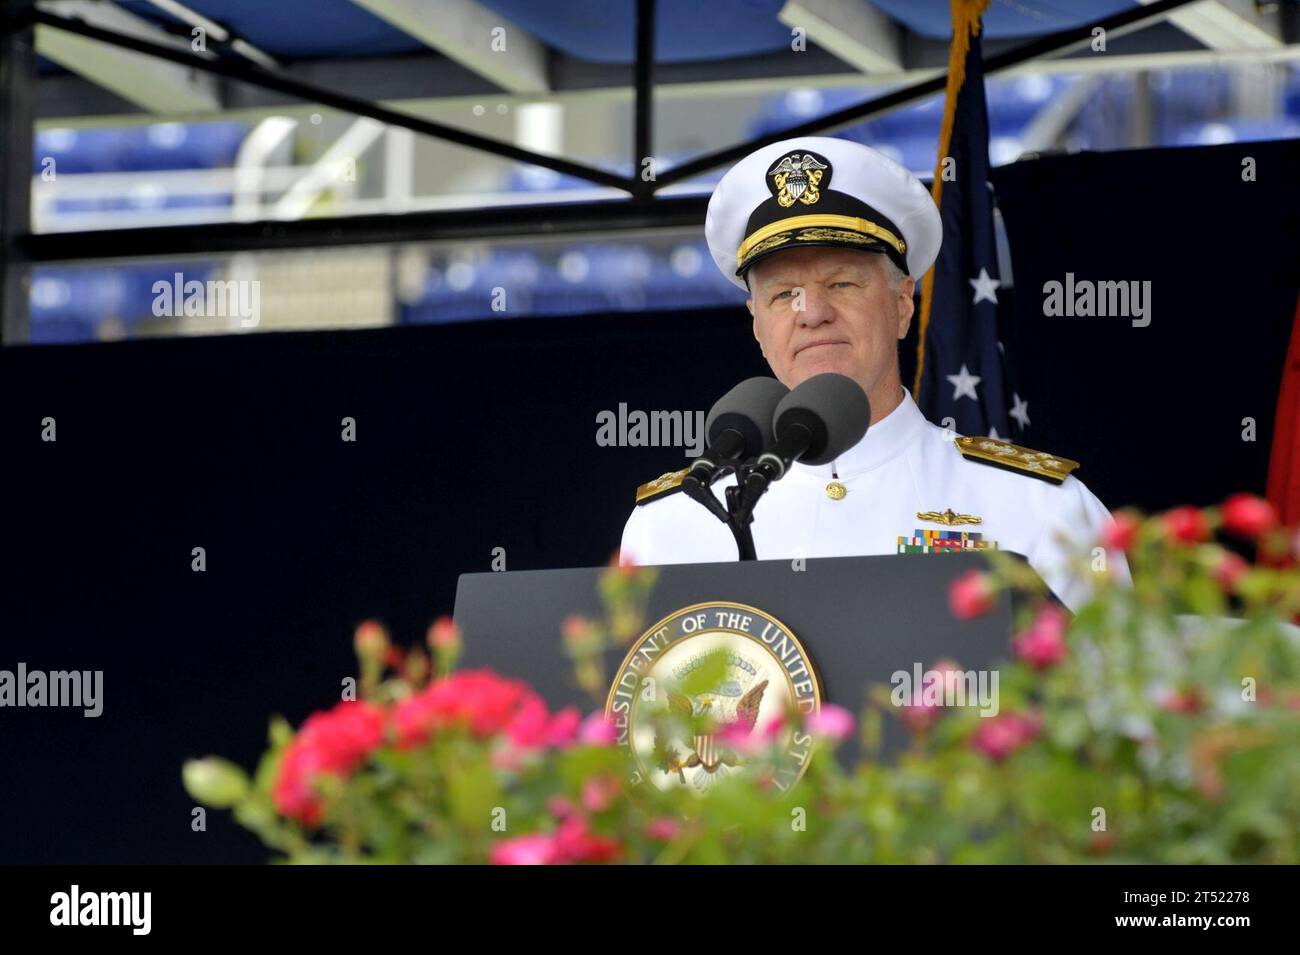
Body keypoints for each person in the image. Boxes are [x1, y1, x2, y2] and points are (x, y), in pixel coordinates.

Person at [619, 137, 1128, 611]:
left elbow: (1125, 695)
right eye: (782, 294)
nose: (811, 311)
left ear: (903, 303)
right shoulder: (671, 522)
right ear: (756, 324)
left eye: (842, 283)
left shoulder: (1035, 504)